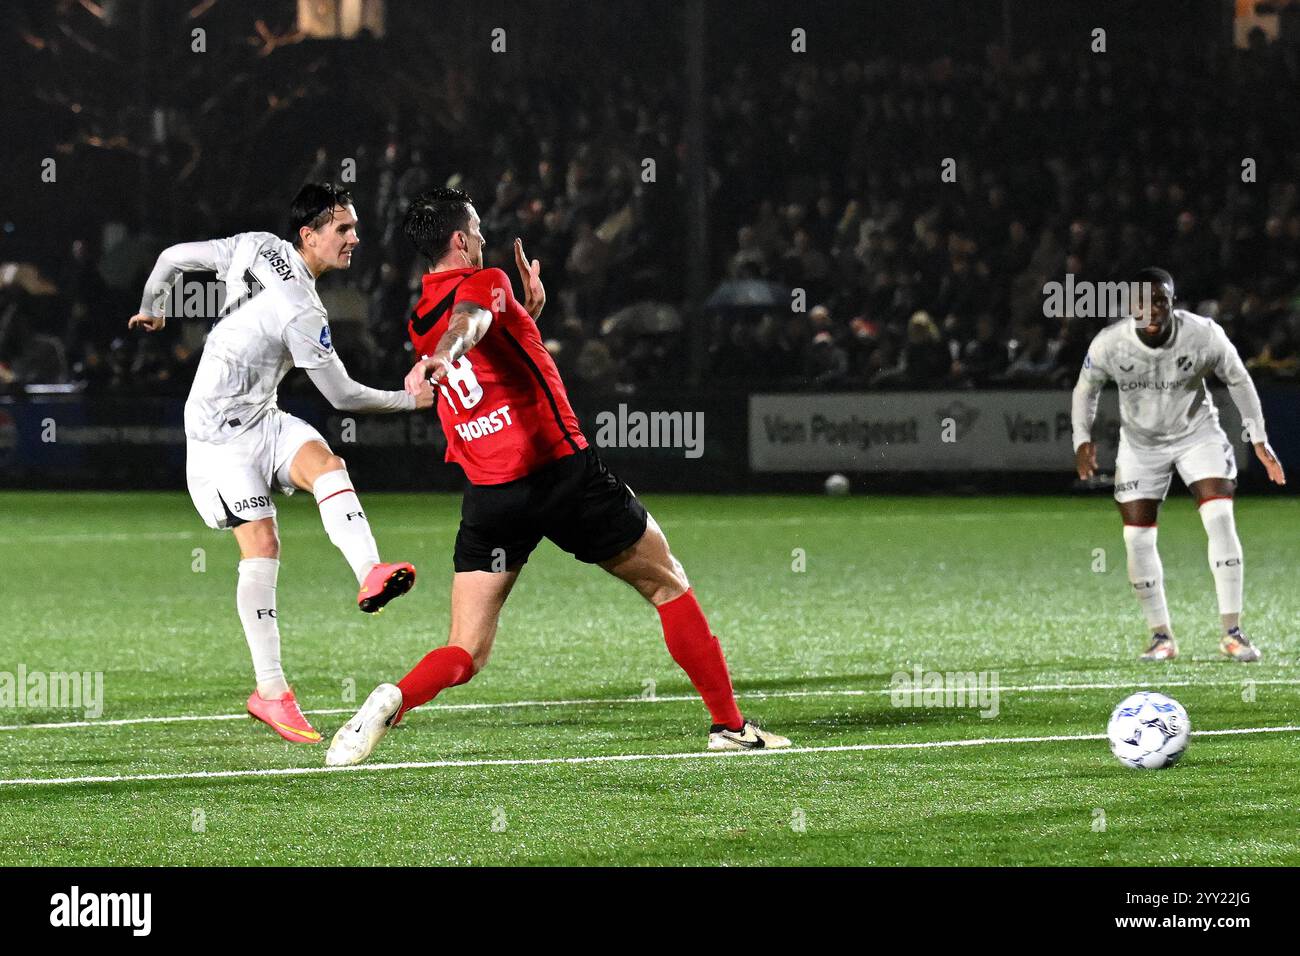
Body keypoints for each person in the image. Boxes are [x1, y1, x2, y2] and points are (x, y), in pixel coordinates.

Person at [327, 187, 790, 765]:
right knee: (667, 583)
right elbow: (470, 323)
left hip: (492, 497)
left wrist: (523, 314)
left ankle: (395, 699)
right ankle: (729, 726)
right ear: (460, 239)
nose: (485, 239)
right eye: (478, 230)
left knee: (466, 650)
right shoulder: (484, 284)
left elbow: (486, 343)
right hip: (561, 475)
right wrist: (451, 349)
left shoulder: (421, 314)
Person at [129, 183, 434, 742]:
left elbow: (172, 258)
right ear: (309, 235)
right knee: (263, 546)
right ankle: (270, 692)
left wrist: (153, 309)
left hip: (262, 417)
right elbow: (342, 396)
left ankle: (370, 571)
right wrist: (410, 400)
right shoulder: (304, 311)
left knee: (328, 465)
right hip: (217, 438)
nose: (354, 238)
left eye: (354, 227)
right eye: (343, 228)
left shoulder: (256, 245)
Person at [1072, 267, 1286, 662]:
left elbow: (1239, 379)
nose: (1151, 310)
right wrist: (1082, 439)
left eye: (1159, 301)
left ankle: (1232, 632)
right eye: (1141, 302)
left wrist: (1258, 438)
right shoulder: (1110, 343)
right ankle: (1161, 637)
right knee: (1137, 538)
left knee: (1219, 517)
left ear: (1172, 302)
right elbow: (1086, 389)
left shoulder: (1203, 334)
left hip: (1197, 435)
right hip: (1141, 445)